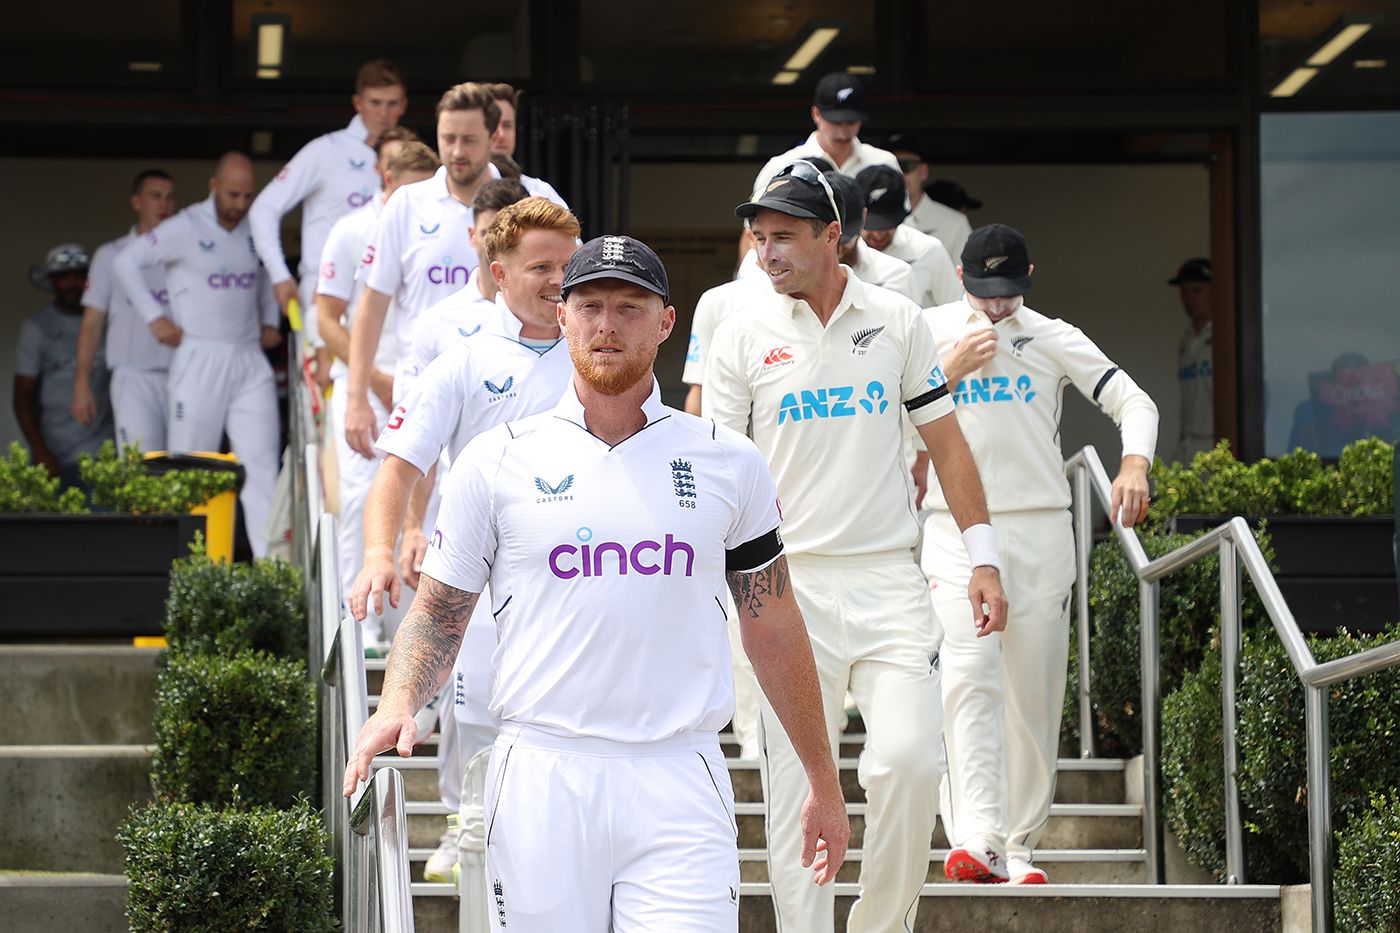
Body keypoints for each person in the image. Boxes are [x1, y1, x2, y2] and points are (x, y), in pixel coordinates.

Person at [344, 233, 849, 932]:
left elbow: (772, 623)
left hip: (680, 773)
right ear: (562, 316)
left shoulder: (727, 460)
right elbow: (439, 610)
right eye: (589, 305)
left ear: (667, 322)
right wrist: (396, 700)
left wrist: (823, 778)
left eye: (630, 307)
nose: (607, 325)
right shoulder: (496, 461)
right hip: (543, 774)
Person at [703, 159, 1007, 933]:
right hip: (782, 589)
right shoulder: (740, 332)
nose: (766, 253)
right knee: (799, 792)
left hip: (888, 580)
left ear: (831, 235)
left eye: (784, 237)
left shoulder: (898, 317)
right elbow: (719, 475)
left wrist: (983, 554)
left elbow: (945, 441)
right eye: (759, 237)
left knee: (911, 764)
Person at [920, 224, 1157, 884]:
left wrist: (1134, 462)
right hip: (951, 528)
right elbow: (884, 410)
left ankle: (1018, 842)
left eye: (1011, 293)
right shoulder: (927, 328)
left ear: (1030, 279)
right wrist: (951, 367)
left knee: (1033, 688)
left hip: (1041, 528)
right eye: (986, 292)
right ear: (961, 279)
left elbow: (1132, 398)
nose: (998, 307)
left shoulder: (1052, 334)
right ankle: (976, 833)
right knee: (965, 673)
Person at [353, 196, 580, 883]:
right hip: (476, 570)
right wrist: (380, 551)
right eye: (540, 266)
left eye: (567, 265)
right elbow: (398, 469)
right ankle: (466, 822)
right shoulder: (464, 361)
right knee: (472, 704)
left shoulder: (603, 356)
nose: (557, 280)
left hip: (579, 570)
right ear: (499, 271)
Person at [113, 152, 281, 558]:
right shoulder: (183, 226)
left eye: (247, 195)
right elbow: (126, 262)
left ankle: (273, 572)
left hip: (248, 360)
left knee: (262, 470)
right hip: (198, 359)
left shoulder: (254, 226)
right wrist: (156, 318)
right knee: (190, 469)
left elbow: (265, 273)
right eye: (232, 195)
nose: (240, 204)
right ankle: (188, 568)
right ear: (213, 186)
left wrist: (271, 318)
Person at [316, 135, 439, 647]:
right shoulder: (350, 230)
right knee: (363, 503)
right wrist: (368, 387)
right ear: (386, 182)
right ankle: (359, 630)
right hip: (363, 390)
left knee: (425, 514)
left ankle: (413, 632)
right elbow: (327, 318)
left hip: (421, 388)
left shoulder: (437, 229)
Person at [344, 81, 503, 460]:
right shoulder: (406, 204)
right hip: (420, 397)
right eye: (448, 138)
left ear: (494, 136)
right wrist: (356, 397)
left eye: (469, 139)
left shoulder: (531, 197)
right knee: (411, 520)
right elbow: (371, 302)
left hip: (501, 398)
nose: (457, 151)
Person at [250, 59, 408, 374]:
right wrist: (280, 274)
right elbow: (263, 208)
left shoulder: (413, 156)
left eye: (392, 104)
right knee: (324, 404)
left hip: (388, 292)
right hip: (326, 294)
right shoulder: (325, 151)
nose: (384, 113)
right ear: (358, 102)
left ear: (404, 105)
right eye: (376, 103)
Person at [398, 178, 531, 403]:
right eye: (488, 233)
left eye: (510, 236)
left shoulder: (559, 320)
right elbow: (412, 408)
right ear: (471, 235)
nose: (498, 245)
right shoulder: (436, 321)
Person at [72, 170, 177, 452]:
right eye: (155, 196)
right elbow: (92, 323)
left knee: (185, 469)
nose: (163, 205)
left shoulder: (184, 254)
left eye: (169, 197)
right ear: (136, 202)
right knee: (140, 469)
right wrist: (81, 383)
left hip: (182, 374)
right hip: (133, 377)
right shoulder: (111, 254)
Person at [15, 244, 111, 487]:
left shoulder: (110, 323)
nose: (72, 283)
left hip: (104, 454)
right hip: (55, 454)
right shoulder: (37, 327)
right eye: (63, 277)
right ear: (52, 281)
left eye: (80, 275)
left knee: (105, 523)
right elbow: (22, 398)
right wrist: (40, 451)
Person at [749, 72, 899, 201]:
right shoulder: (782, 167)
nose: (843, 132)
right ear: (816, 114)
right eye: (835, 122)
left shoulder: (884, 163)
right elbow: (752, 232)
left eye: (851, 122)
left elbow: (903, 226)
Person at [856, 164, 960, 308]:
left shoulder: (928, 250)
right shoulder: (838, 252)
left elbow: (954, 309)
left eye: (887, 225)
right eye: (871, 226)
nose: (878, 233)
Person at [485, 83, 569, 208]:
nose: (501, 134)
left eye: (507, 125)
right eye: (493, 125)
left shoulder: (541, 192)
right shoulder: (448, 191)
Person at [893, 143, 976, 262]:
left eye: (905, 166)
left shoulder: (955, 224)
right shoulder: (868, 223)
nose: (899, 174)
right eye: (891, 167)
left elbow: (964, 277)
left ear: (924, 171)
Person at [1169, 257, 1214, 461]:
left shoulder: (1224, 339)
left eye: (1196, 291)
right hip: (1187, 445)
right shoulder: (1186, 341)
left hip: (1215, 444)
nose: (1189, 299)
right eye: (1184, 292)